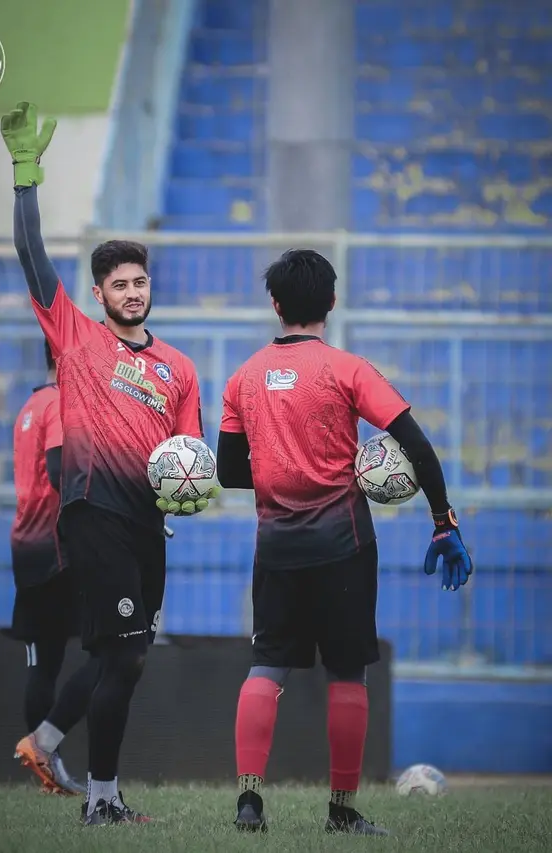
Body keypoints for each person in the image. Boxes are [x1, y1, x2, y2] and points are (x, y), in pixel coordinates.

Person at [1, 102, 218, 826]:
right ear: (99, 295)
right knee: (121, 654)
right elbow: (34, 259)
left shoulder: (180, 369)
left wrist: (190, 494)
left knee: (126, 655)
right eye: (119, 284)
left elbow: (187, 458)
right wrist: (26, 176)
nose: (133, 291)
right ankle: (100, 800)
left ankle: (62, 756)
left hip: (145, 526)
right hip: (91, 513)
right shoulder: (76, 339)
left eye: (139, 281)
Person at [216, 248, 473, 835]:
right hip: (343, 546)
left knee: (267, 667)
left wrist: (285, 464)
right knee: (347, 674)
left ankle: (249, 801)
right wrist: (443, 519)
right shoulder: (349, 369)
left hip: (275, 547)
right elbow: (416, 443)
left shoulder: (242, 378)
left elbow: (231, 471)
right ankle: (341, 811)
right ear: (332, 302)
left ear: (275, 305)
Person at [10, 340, 100, 796]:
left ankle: (47, 768)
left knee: (42, 663)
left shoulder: (30, 405)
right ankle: (48, 750)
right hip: (57, 550)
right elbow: (58, 470)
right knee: (113, 650)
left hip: (26, 544)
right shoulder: (61, 404)